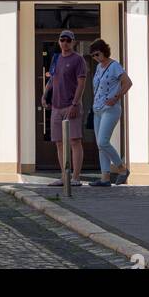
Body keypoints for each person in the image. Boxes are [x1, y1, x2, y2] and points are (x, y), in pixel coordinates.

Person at [43, 30, 88, 185]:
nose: (65, 43)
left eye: (68, 40)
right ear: (59, 41)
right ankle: (64, 176)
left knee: (74, 141)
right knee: (59, 143)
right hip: (56, 106)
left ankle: (76, 177)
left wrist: (75, 103)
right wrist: (44, 95)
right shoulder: (56, 59)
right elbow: (51, 79)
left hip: (71, 105)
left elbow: (81, 83)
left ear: (73, 42)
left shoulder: (78, 59)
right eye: (62, 40)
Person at [87, 38, 132, 186]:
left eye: (97, 54)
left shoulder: (114, 66)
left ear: (104, 51)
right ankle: (105, 177)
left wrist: (115, 97)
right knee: (100, 145)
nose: (95, 58)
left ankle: (121, 169)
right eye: (93, 56)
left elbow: (128, 82)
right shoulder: (99, 67)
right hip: (98, 109)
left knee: (103, 141)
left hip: (111, 109)